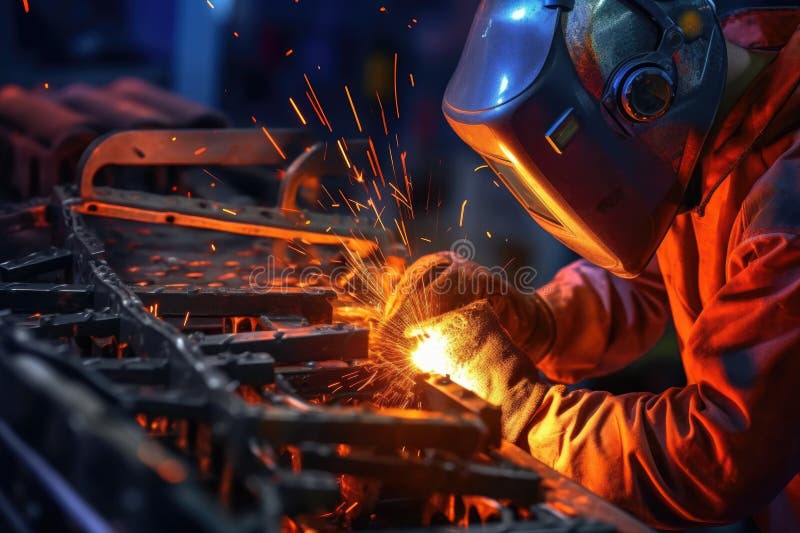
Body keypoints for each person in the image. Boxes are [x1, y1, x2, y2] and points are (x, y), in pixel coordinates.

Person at [379, 1, 800, 530]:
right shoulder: (705, 108)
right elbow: (645, 273)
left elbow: (719, 453)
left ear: (644, 93)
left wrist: (523, 413)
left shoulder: (787, 217)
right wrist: (537, 322)